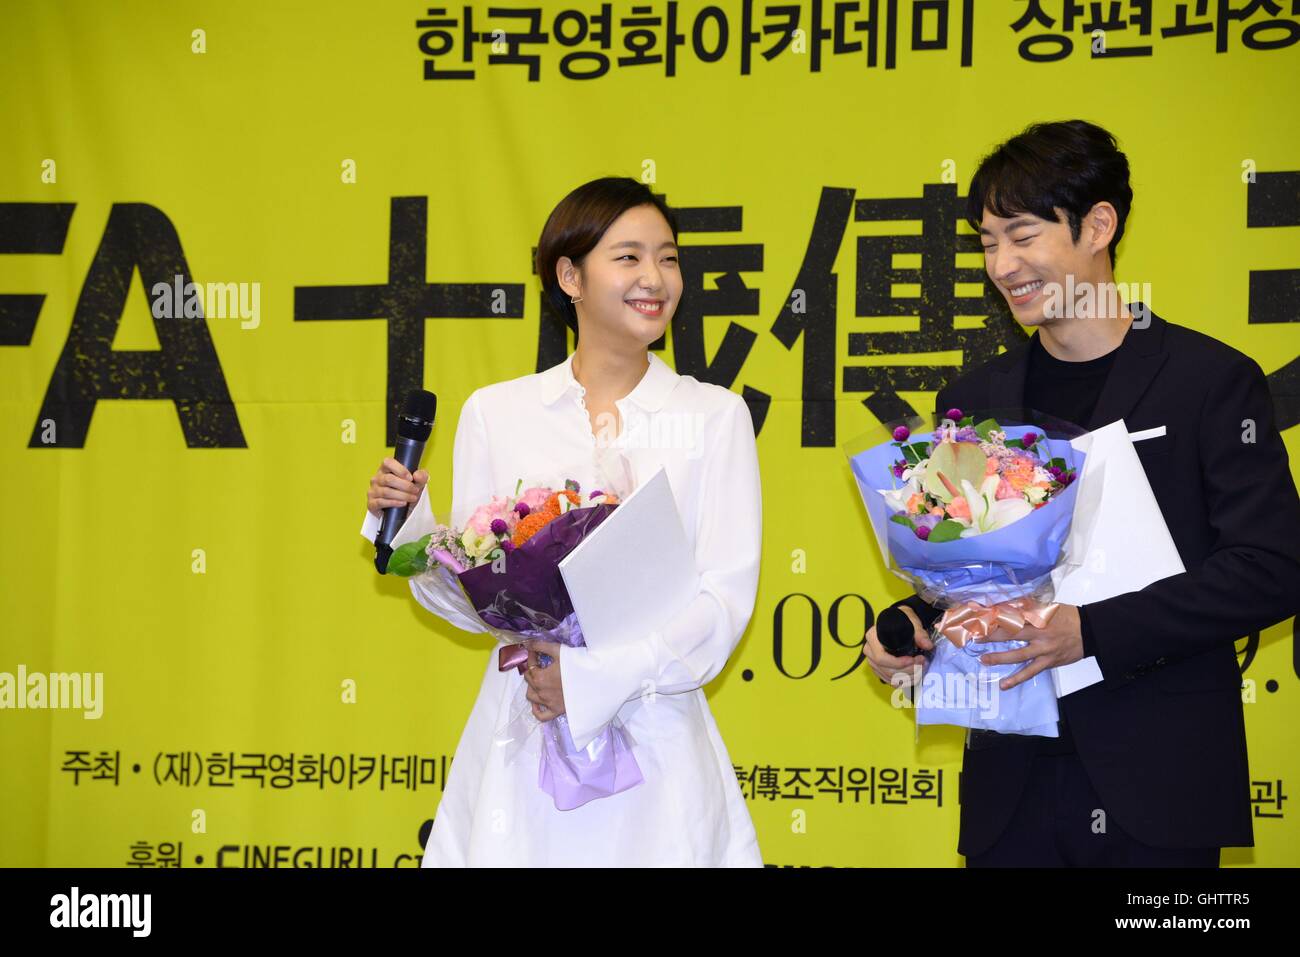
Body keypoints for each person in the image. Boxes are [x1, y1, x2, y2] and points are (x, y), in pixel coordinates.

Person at [862, 120, 1300, 866]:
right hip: (1011, 787)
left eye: (1022, 235)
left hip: (1155, 786)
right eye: (987, 241)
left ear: (1099, 225)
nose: (1003, 263)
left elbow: (1271, 565)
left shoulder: (1209, 380)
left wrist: (1090, 630)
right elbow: (963, 571)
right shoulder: (976, 399)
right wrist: (912, 624)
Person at [361, 177, 764, 866]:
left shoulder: (713, 417)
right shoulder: (498, 411)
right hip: (522, 734)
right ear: (569, 276)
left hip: (656, 739)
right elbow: (476, 601)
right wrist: (409, 530)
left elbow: (723, 604)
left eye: (668, 258)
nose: (656, 279)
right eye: (629, 257)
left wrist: (591, 678)